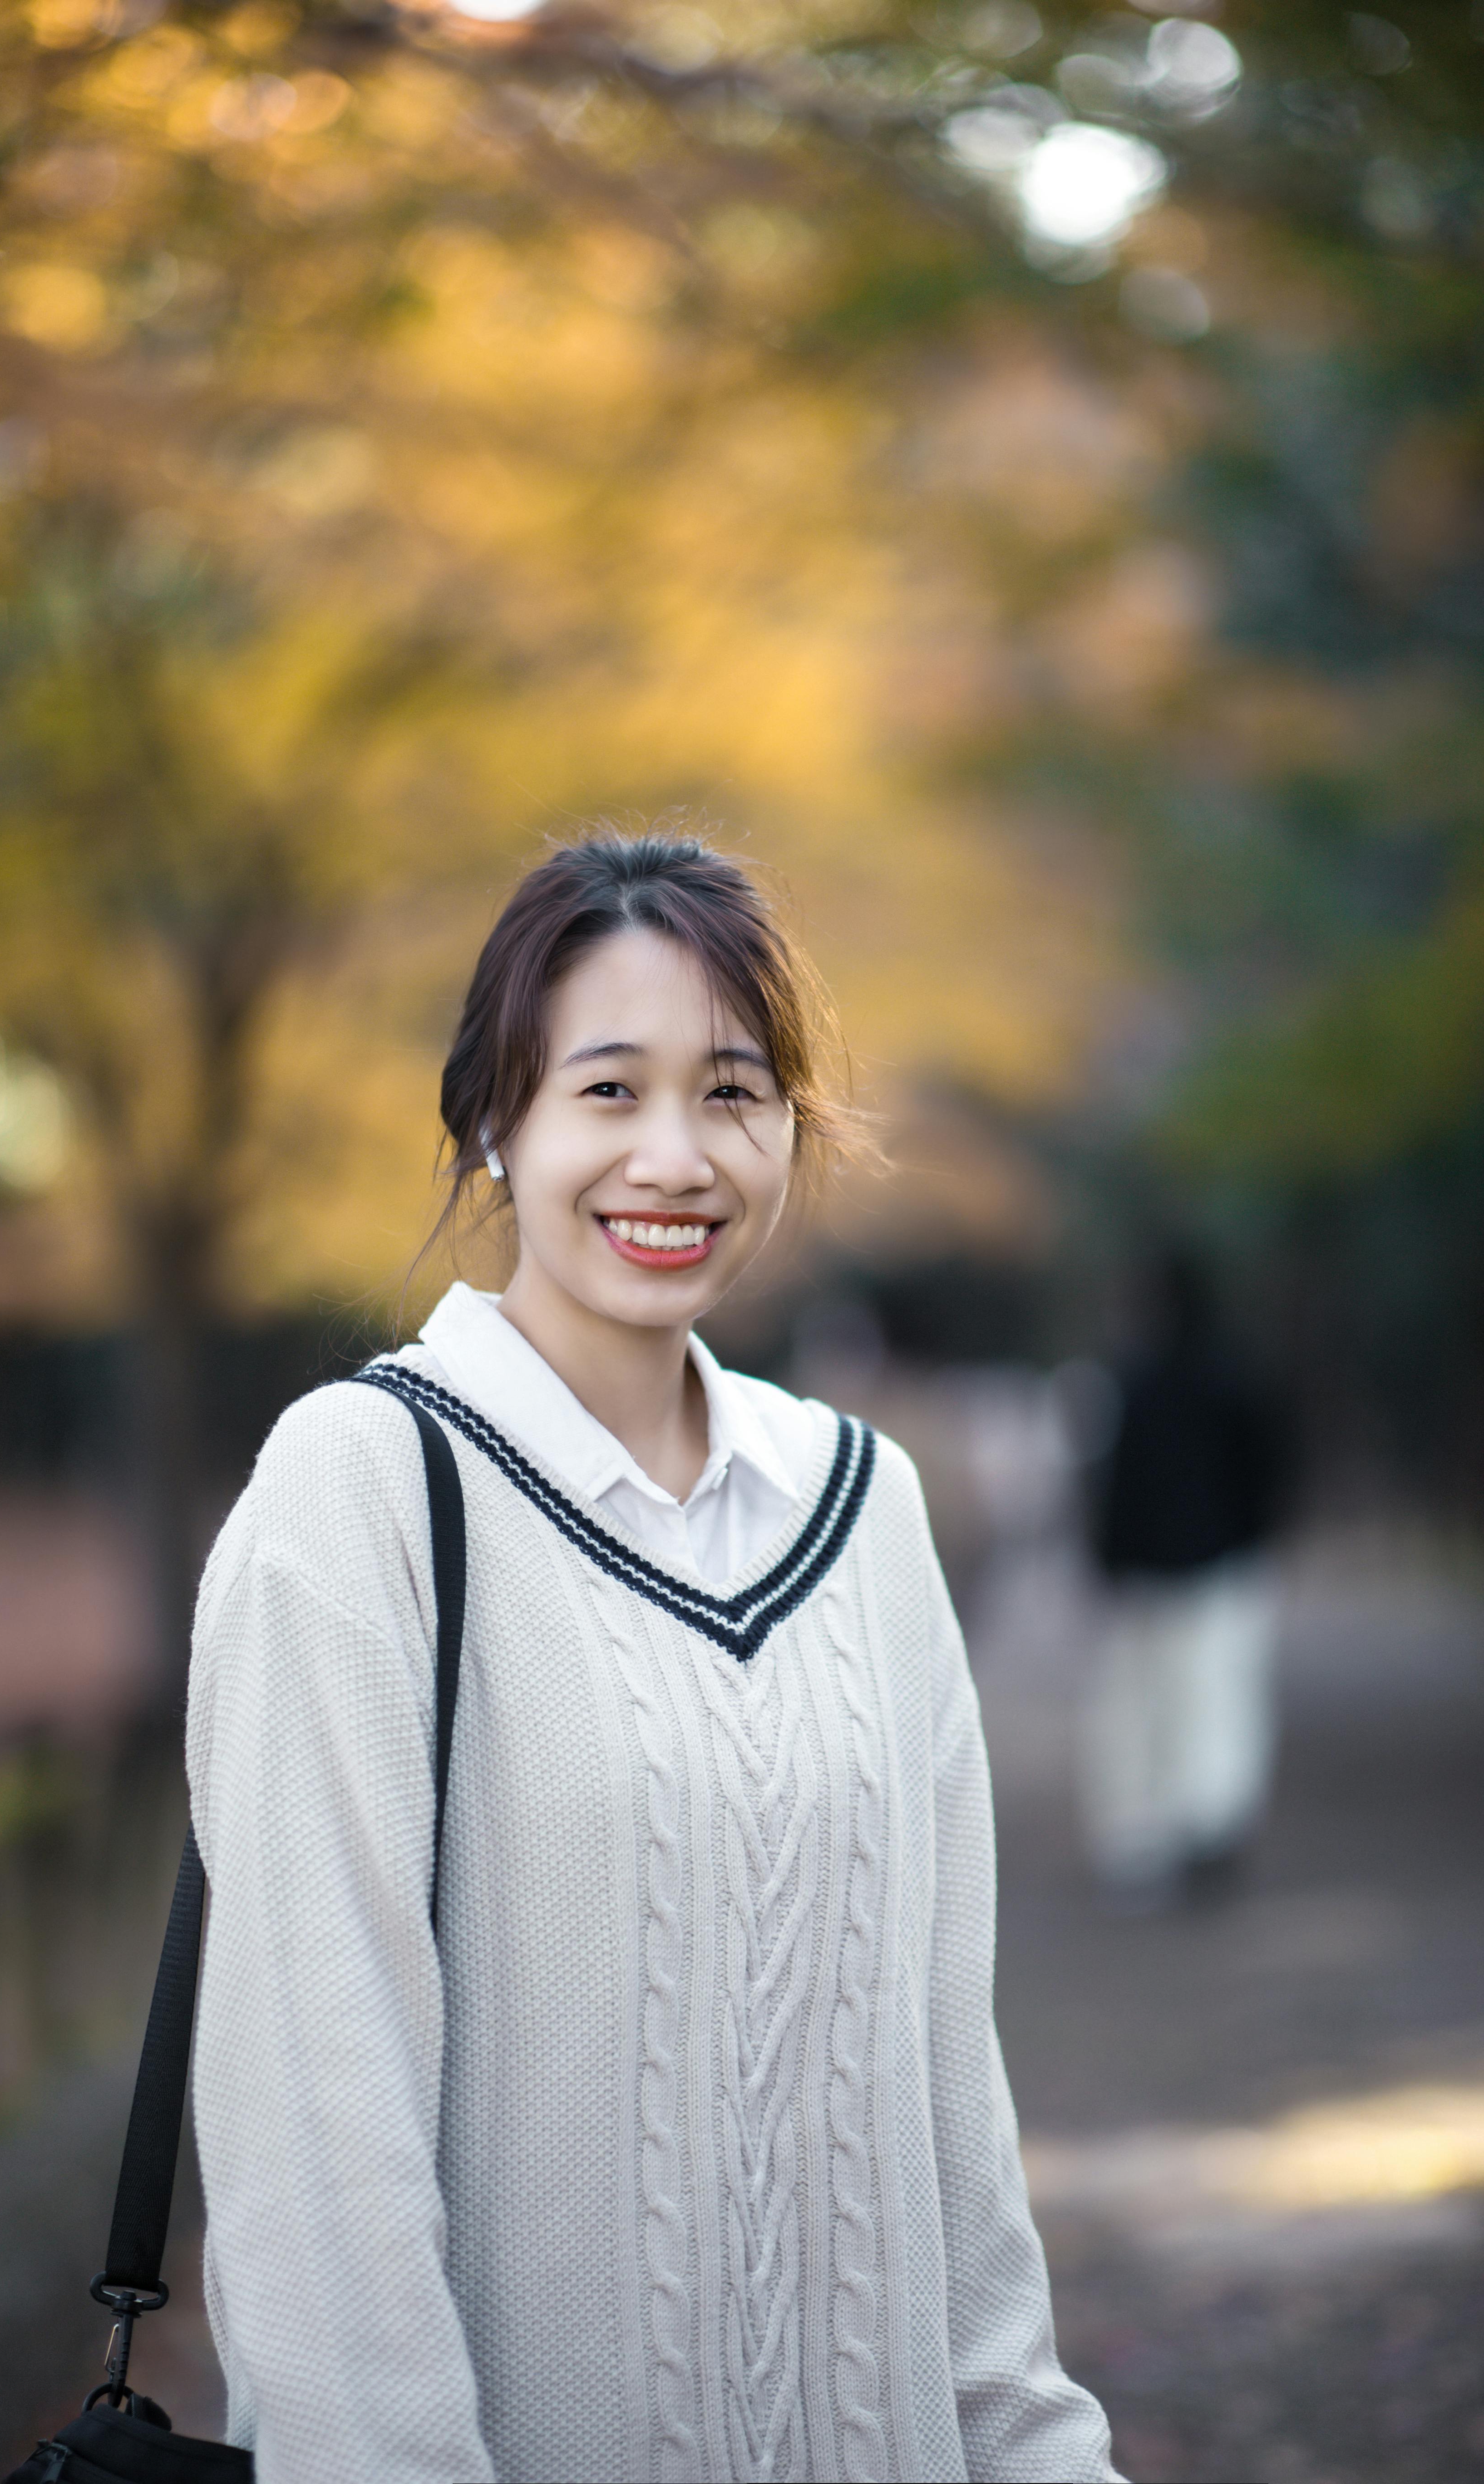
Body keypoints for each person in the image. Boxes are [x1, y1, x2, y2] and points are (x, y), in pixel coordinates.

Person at [187, 831, 1119, 2484]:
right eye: (607, 1092)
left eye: (734, 1093)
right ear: (497, 1118)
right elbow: (313, 2138)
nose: (674, 1159)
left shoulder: (862, 1510)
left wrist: (1038, 2451)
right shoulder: (363, 1492)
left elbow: (937, 2100)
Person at [1079, 1247, 1287, 1907]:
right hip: (1218, 1569)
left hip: (1153, 1576)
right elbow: (1270, 1472)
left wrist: (1110, 1559)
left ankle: (1153, 1836)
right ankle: (1207, 1823)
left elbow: (1113, 1487)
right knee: (1215, 1700)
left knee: (1147, 1708)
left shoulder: (1138, 1382)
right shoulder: (1236, 1375)